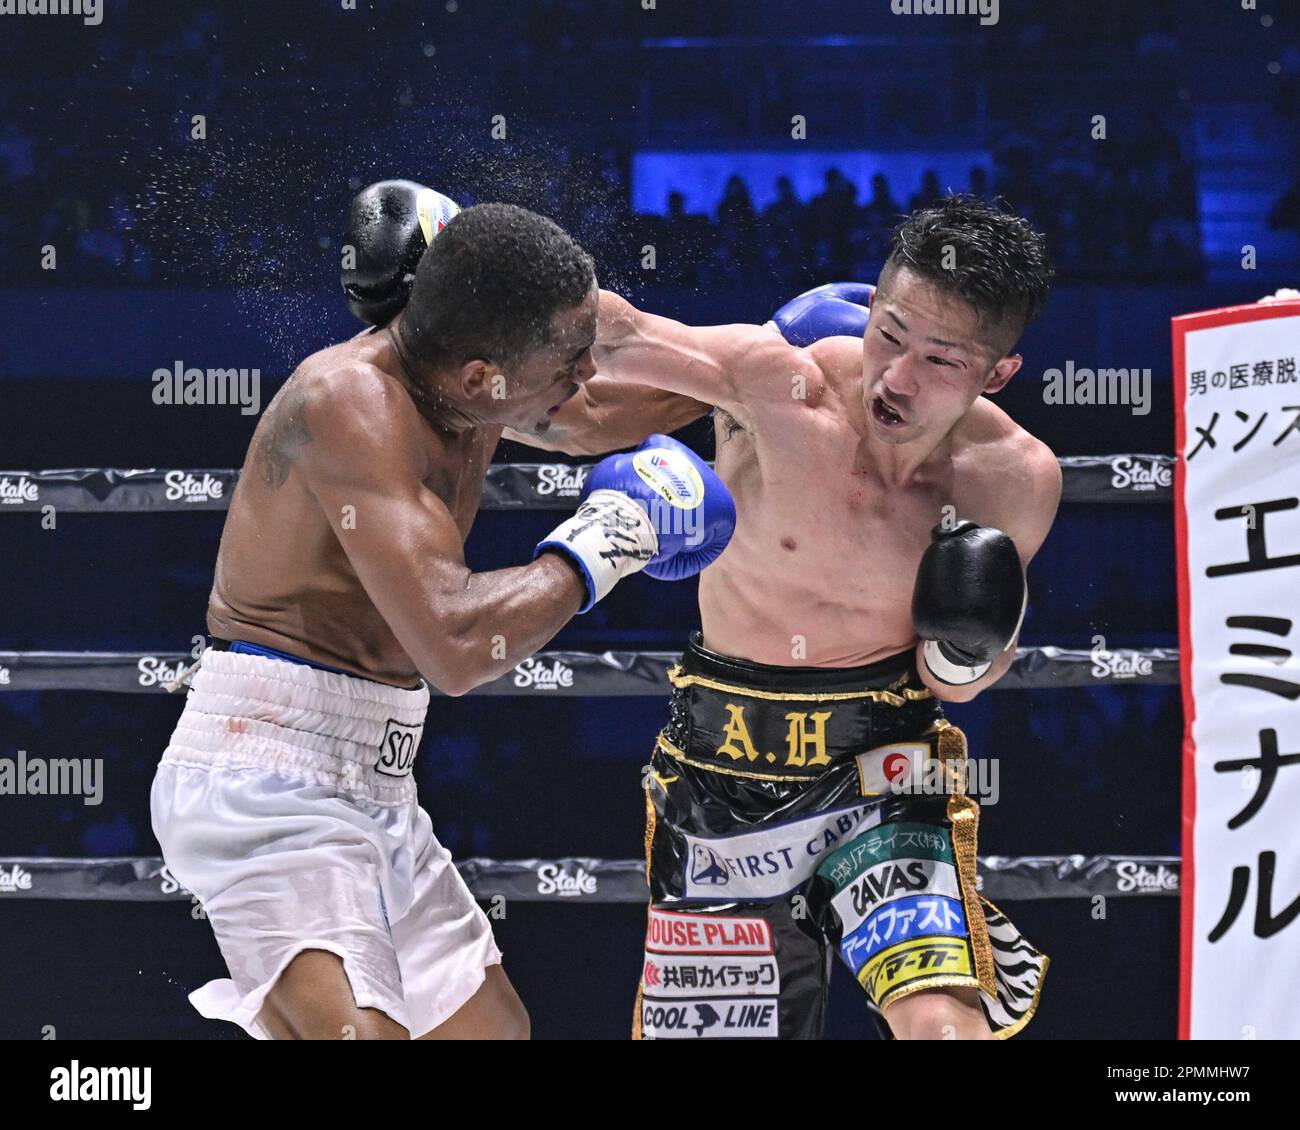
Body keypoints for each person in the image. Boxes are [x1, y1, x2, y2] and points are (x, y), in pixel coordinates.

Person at [151, 196, 732, 1040]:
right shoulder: (350, 401)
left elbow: (600, 420)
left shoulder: (474, 373)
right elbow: (456, 646)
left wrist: (781, 372)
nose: (586, 378)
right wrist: (608, 539)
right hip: (267, 777)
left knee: (492, 1034)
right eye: (568, 363)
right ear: (480, 376)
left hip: (377, 778)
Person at [592, 195, 1061, 1040]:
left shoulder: (1012, 478)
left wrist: (965, 652)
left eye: (942, 360)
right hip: (719, 768)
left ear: (998, 374)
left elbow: (961, 681)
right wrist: (462, 274)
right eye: (890, 334)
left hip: (885, 767)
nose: (898, 377)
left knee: (940, 1022)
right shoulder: (778, 380)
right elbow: (615, 335)